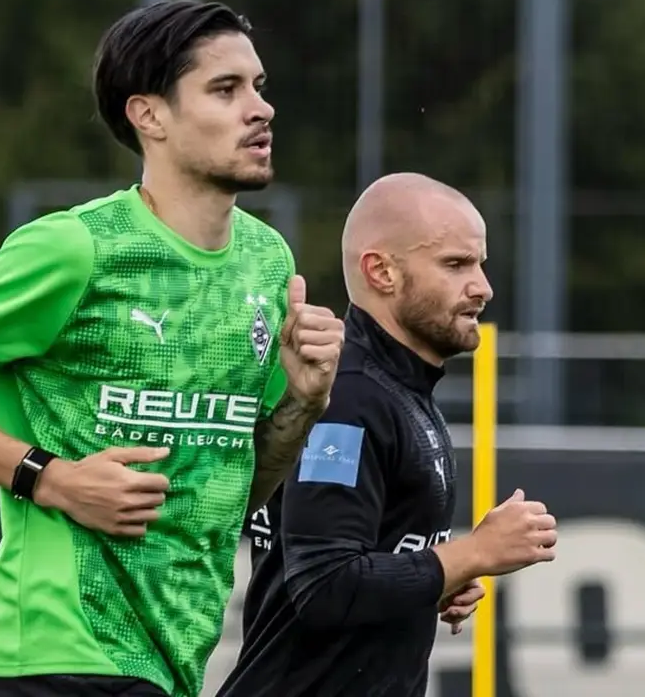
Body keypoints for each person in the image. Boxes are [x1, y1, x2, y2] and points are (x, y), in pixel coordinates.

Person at [0, 0, 345, 697]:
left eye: (259, 87)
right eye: (225, 89)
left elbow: (233, 493)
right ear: (149, 116)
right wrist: (52, 479)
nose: (259, 109)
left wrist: (303, 400)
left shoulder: (267, 264)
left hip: (166, 660)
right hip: (54, 653)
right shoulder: (77, 247)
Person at [218, 173, 559, 697]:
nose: (483, 287)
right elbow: (326, 587)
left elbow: (353, 562)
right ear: (381, 272)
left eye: (480, 263)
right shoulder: (350, 397)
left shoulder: (398, 390)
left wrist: (435, 577)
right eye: (455, 264)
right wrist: (471, 554)